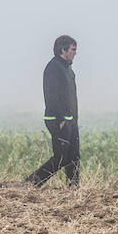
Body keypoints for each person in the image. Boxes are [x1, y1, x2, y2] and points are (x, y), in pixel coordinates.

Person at [26, 35, 81, 188]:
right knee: (62, 157)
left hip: (70, 119)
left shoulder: (68, 70)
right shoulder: (53, 68)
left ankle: (73, 188)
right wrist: (60, 119)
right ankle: (31, 183)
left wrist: (73, 119)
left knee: (74, 157)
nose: (75, 53)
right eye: (73, 50)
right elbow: (51, 95)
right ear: (63, 50)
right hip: (57, 119)